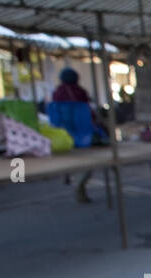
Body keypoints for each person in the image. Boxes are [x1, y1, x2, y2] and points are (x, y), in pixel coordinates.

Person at [51, 67, 98, 203]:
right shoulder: (80, 93)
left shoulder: (57, 93)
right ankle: (81, 185)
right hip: (83, 136)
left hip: (62, 137)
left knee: (72, 159)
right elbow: (89, 115)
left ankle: (69, 175)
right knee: (91, 161)